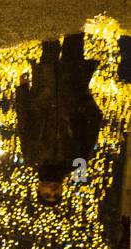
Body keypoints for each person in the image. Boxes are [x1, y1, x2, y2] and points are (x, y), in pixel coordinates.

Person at [15, 34, 102, 205]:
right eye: (57, 195)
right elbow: (92, 124)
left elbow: (25, 123)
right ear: (63, 190)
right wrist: (84, 99)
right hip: (71, 90)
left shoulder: (31, 158)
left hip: (44, 93)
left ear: (38, 189)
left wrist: (23, 90)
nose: (52, 192)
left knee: (49, 40)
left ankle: (52, 10)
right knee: (75, 41)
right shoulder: (78, 164)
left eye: (47, 195)